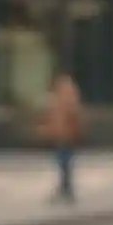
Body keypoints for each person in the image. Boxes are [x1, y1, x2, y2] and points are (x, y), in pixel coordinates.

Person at [38, 72, 84, 205]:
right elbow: (52, 118)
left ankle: (66, 190)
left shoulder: (67, 100)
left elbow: (70, 118)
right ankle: (65, 189)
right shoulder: (60, 99)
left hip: (66, 137)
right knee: (63, 163)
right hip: (62, 136)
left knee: (64, 162)